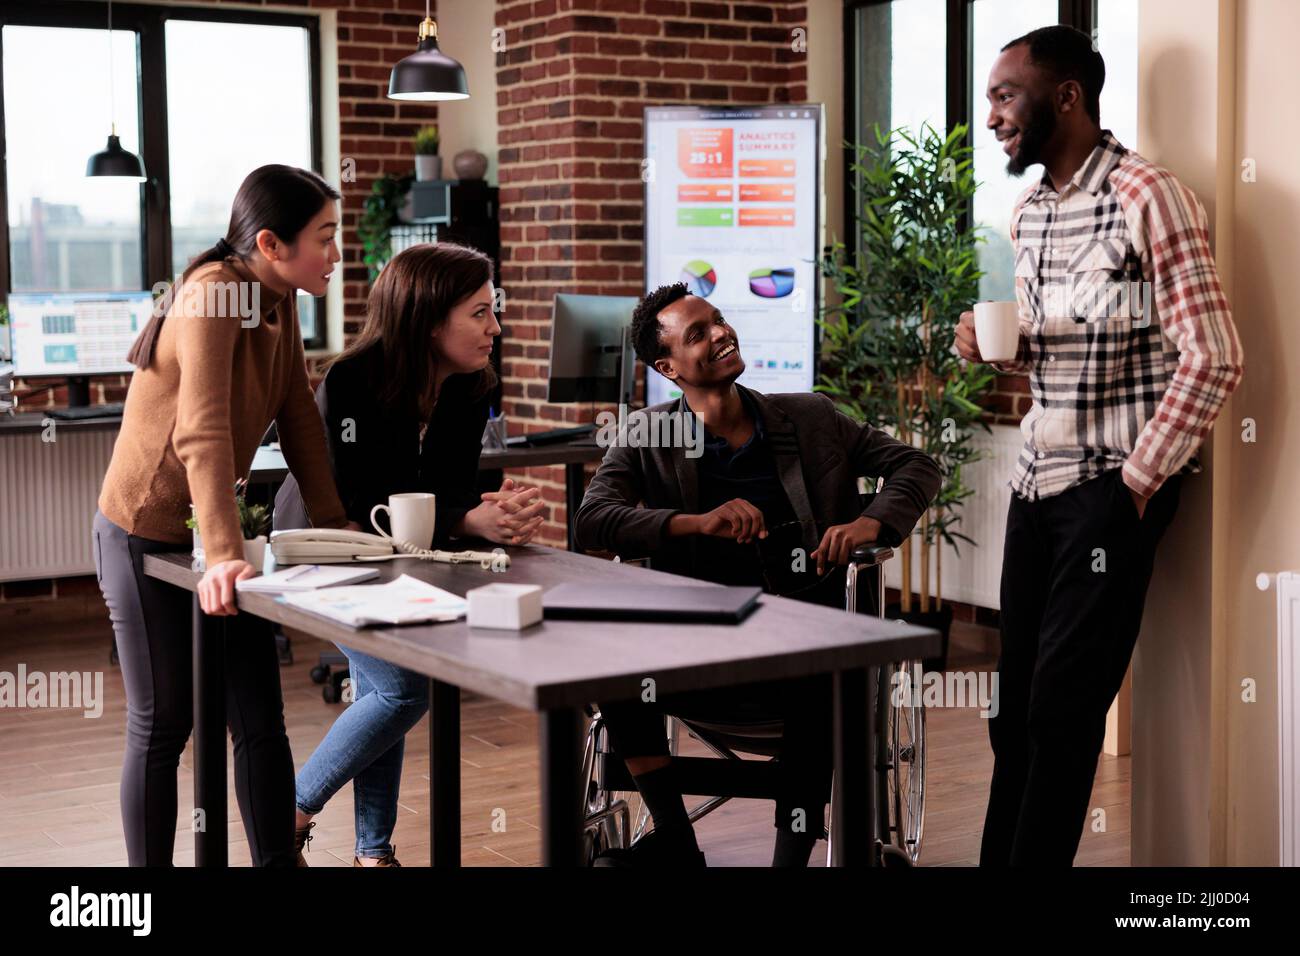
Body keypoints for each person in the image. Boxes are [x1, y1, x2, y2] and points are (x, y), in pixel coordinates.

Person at [954, 25, 1244, 866]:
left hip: (1105, 489)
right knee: (1013, 709)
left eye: (1006, 95)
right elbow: (1050, 345)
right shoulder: (1031, 209)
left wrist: (1136, 485)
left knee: (1061, 711)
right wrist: (988, 340)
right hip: (1034, 485)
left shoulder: (1148, 195)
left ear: (1068, 96)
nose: (994, 115)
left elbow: (1216, 355)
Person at [573, 282, 942, 866]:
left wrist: (870, 524)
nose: (721, 333)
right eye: (698, 333)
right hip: (696, 651)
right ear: (667, 367)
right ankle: (674, 837)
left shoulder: (810, 418)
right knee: (607, 660)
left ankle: (789, 860)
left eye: (718, 320)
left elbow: (917, 466)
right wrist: (695, 524)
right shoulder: (648, 435)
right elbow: (591, 520)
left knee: (821, 667)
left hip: (802, 642)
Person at [94, 164, 358, 866]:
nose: (337, 254)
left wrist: (335, 527)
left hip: (215, 530)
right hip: (141, 529)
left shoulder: (278, 302)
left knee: (259, 720)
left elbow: (299, 416)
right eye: (325, 238)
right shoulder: (213, 296)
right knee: (165, 722)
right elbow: (202, 431)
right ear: (271, 244)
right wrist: (222, 551)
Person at [275, 243, 545, 866]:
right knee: (400, 693)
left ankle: (373, 853)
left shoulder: (471, 387)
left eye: (493, 311)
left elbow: (447, 493)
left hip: (398, 561)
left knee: (382, 691)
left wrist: (489, 516)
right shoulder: (355, 380)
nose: (495, 329)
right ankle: (288, 812)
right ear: (428, 317)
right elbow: (361, 497)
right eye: (479, 313)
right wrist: (464, 517)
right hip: (326, 551)